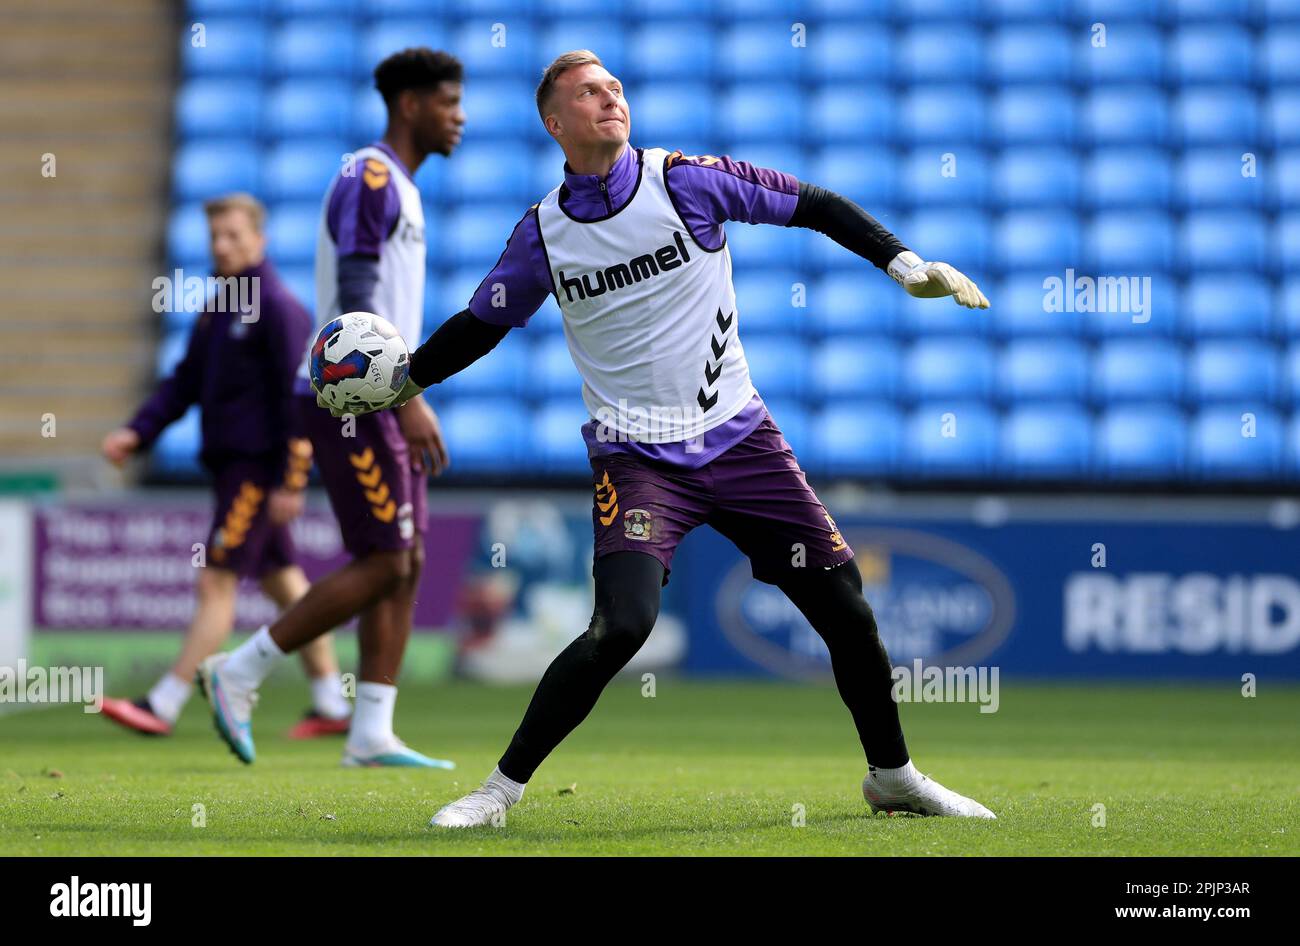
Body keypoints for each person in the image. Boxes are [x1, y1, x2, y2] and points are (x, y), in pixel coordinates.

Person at [199, 49, 464, 768]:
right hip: (349, 392)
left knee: (404, 559)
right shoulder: (368, 175)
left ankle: (371, 729)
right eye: (447, 101)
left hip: (378, 390)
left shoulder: (399, 186)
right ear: (409, 104)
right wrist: (402, 393)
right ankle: (239, 669)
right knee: (383, 559)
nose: (460, 116)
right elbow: (354, 289)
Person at [100, 193, 350, 740]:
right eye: (215, 236)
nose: (222, 246)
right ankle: (332, 700)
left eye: (234, 235)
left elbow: (299, 397)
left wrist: (292, 478)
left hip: (256, 472)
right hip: (231, 469)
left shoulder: (279, 307)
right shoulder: (219, 305)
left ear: (259, 240)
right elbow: (185, 380)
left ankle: (163, 702)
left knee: (216, 582)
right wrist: (136, 433)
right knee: (286, 585)